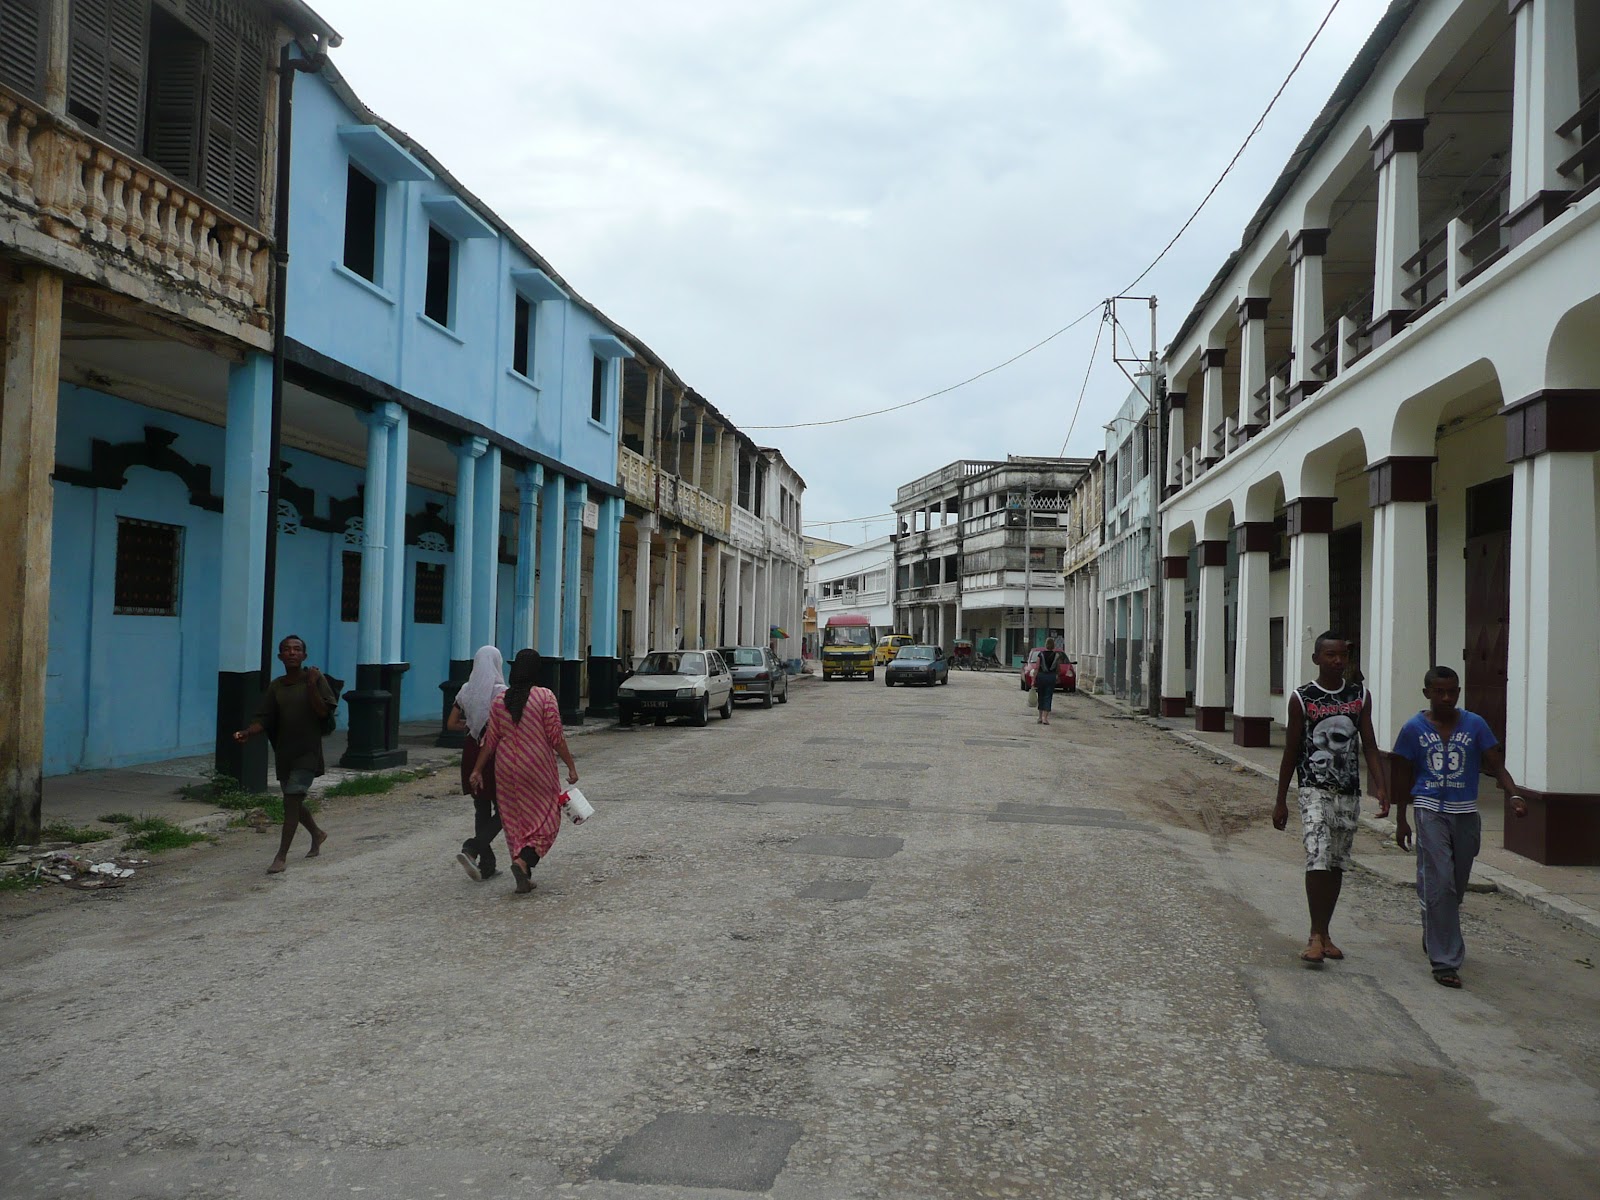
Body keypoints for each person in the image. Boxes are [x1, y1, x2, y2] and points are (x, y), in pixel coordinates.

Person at [1390, 665, 1526, 989]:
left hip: (1465, 812)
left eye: (1452, 691)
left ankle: (1434, 927)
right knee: (1441, 881)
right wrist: (1400, 819)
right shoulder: (1413, 729)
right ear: (1427, 693)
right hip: (1428, 809)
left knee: (1455, 883)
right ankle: (1445, 962)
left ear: (1459, 693)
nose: (1447, 697)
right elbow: (1403, 776)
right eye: (1440, 692)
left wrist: (1514, 794)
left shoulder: (1475, 725)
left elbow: (1495, 765)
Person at [1272, 631, 1388, 963]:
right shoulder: (1302, 698)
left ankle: (1325, 932)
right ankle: (1313, 934)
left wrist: (1380, 786)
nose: (1337, 661)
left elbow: (1368, 744)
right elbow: (1291, 750)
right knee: (1318, 856)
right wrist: (1281, 799)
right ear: (1316, 658)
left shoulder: (1359, 696)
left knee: (1337, 862)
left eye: (1342, 655)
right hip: (1313, 789)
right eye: (1330, 655)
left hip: (1347, 792)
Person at [469, 649, 579, 894]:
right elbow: (556, 737)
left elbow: (490, 741)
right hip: (538, 766)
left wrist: (477, 770)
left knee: (515, 819)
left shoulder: (500, 702)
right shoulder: (544, 697)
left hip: (505, 768)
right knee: (548, 817)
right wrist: (570, 766)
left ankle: (524, 873)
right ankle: (524, 861)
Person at [234, 634, 335, 875]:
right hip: (284, 752)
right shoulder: (277, 686)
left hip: (308, 752)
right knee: (294, 802)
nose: (292, 653)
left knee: (291, 801)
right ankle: (317, 834)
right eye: (287, 650)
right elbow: (265, 718)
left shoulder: (315, 678)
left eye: (297, 649)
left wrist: (311, 684)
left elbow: (323, 712)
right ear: (279, 656)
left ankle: (281, 856)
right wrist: (248, 732)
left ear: (304, 655)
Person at [448, 646, 507, 882]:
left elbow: (451, 723)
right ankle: (473, 847)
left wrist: (471, 724)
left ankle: (487, 864)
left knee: (481, 806)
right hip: (493, 753)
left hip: (471, 749)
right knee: (504, 808)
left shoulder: (465, 690)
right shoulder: (501, 692)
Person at [1034, 637, 1065, 726]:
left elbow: (1036, 667)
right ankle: (1045, 718)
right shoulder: (1057, 656)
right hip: (1051, 677)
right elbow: (1058, 668)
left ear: (1046, 645)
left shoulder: (1041, 655)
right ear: (1053, 645)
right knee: (1048, 696)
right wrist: (1058, 676)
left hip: (1041, 676)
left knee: (1041, 696)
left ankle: (1040, 717)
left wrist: (1033, 680)